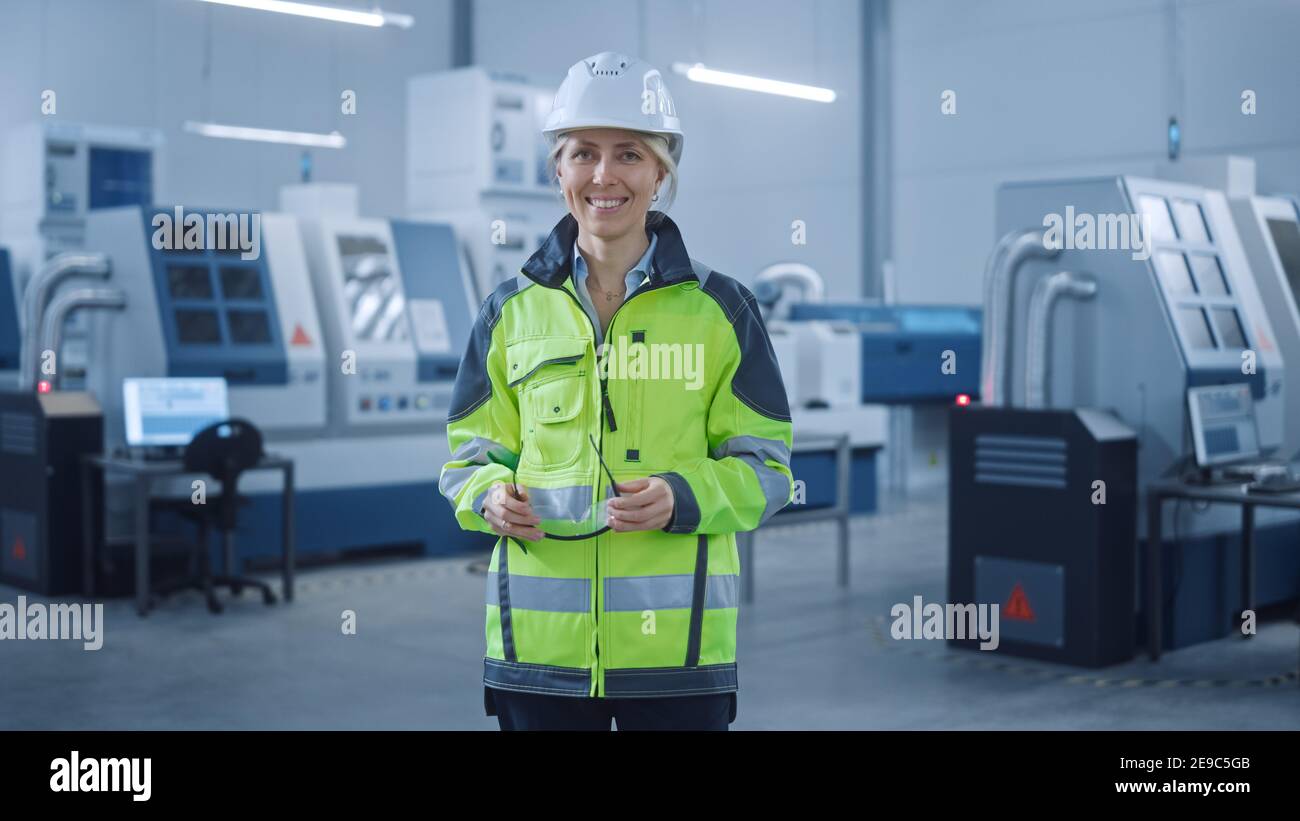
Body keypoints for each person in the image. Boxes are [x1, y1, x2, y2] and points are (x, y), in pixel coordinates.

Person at [439, 51, 793, 731]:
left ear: (661, 171)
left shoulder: (722, 311)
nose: (604, 175)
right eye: (583, 154)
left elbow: (767, 467)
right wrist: (484, 494)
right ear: (558, 170)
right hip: (539, 658)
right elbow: (466, 455)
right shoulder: (508, 312)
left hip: (677, 660)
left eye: (628, 153)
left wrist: (684, 496)